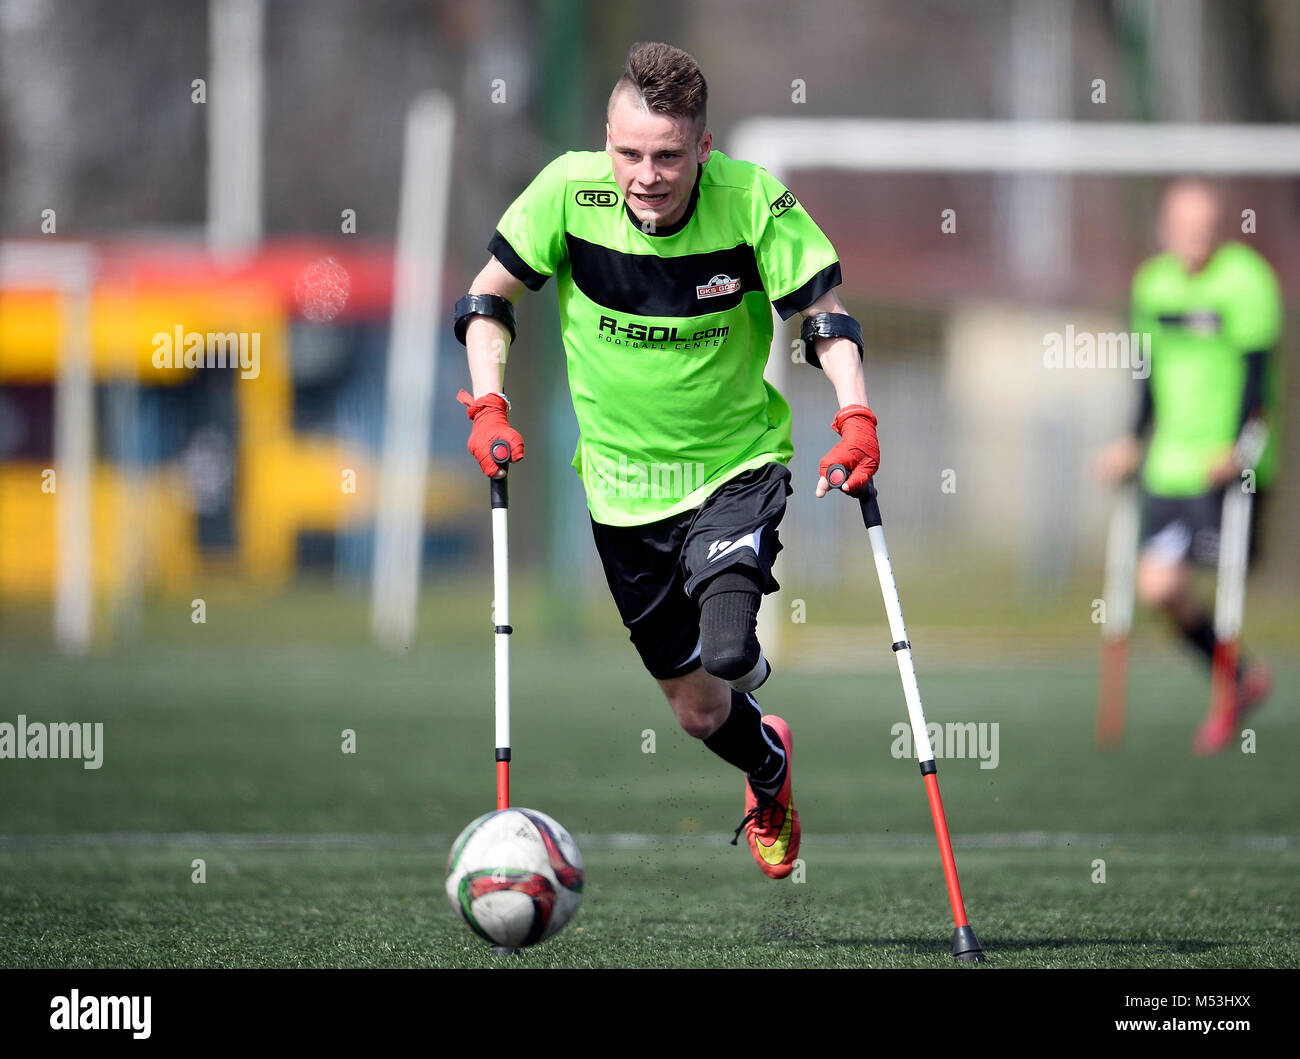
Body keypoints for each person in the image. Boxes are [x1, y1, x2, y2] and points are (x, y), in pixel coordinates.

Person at [452, 42, 879, 877]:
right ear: (605, 140)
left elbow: (825, 316)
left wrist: (855, 416)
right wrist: (489, 402)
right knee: (696, 708)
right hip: (621, 493)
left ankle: (743, 649)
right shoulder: (566, 194)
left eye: (667, 156)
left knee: (725, 647)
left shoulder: (753, 203)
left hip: (735, 467)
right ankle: (769, 764)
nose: (645, 175)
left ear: (704, 149)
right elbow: (484, 298)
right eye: (629, 153)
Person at [1095, 178, 1280, 754]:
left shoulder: (1247, 280)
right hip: (1170, 464)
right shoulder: (1153, 284)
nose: (1195, 236)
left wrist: (1237, 447)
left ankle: (1232, 692)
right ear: (1165, 228)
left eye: (1205, 224)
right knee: (1156, 585)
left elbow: (1258, 378)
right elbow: (1148, 375)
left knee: (1220, 582)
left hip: (1230, 464)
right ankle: (1241, 676)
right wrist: (1131, 440)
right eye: (1184, 224)